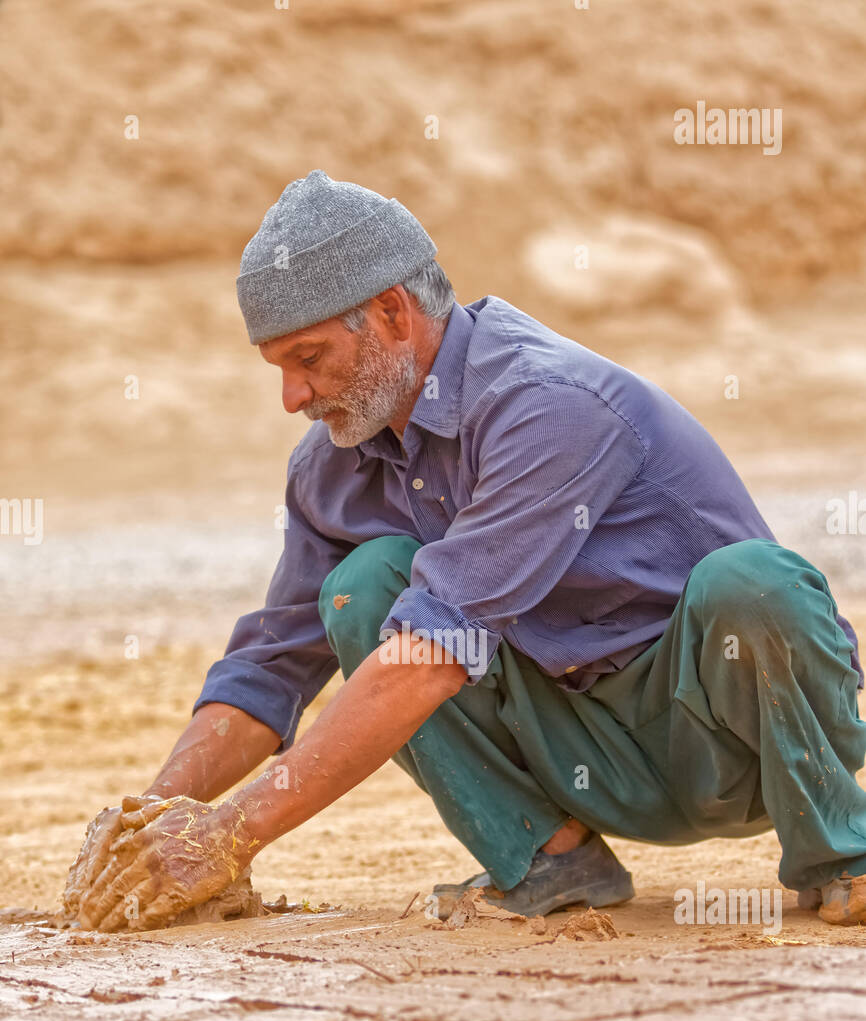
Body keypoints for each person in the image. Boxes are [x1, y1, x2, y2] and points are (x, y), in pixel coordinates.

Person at [65, 170, 866, 933]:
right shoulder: (332, 461)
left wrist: (233, 833)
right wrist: (153, 819)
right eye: (278, 371)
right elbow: (273, 663)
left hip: (730, 739)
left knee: (753, 585)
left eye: (308, 360)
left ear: (391, 312)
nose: (292, 399)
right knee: (360, 587)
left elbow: (435, 654)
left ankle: (842, 852)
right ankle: (551, 862)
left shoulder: (543, 404)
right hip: (581, 747)